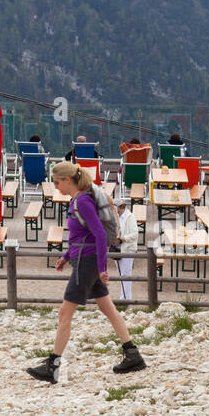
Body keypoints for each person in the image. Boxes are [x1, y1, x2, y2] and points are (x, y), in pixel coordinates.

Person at [25, 161, 146, 383]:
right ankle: (133, 354)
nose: (56, 187)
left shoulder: (83, 202)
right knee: (107, 308)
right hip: (83, 258)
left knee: (64, 312)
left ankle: (53, 365)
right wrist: (66, 256)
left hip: (87, 263)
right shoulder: (78, 201)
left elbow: (100, 235)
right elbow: (83, 237)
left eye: (57, 182)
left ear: (67, 180)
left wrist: (100, 268)